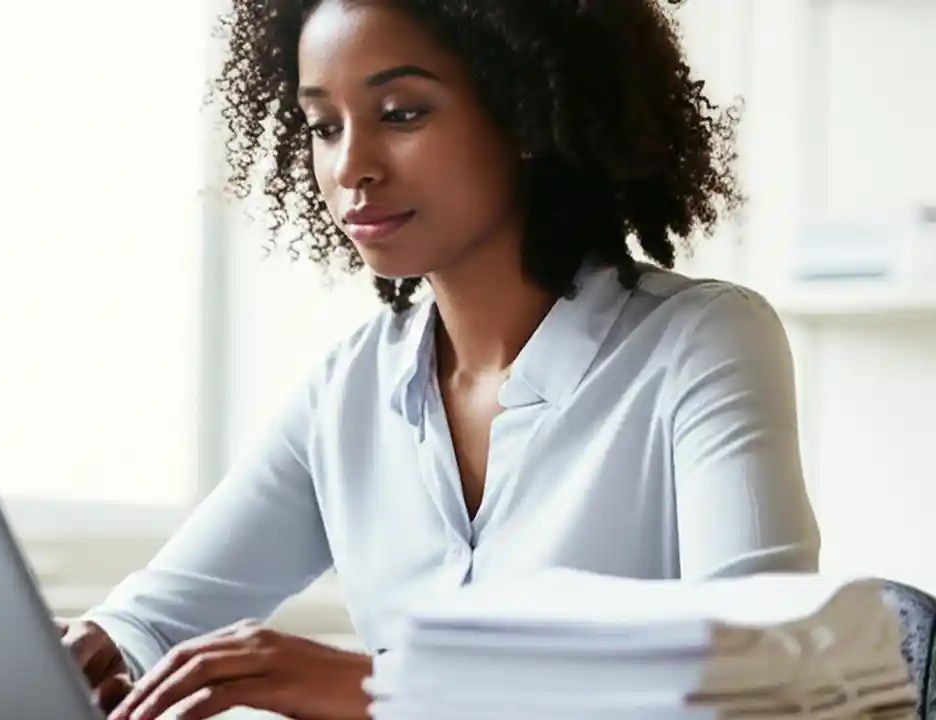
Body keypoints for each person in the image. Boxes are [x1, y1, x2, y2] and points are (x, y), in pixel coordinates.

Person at [59, 0, 821, 717]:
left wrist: (384, 688)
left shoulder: (702, 343)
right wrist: (88, 651)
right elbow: (152, 619)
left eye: (401, 115)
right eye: (324, 125)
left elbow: (761, 676)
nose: (352, 166)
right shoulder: (348, 391)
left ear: (522, 110)